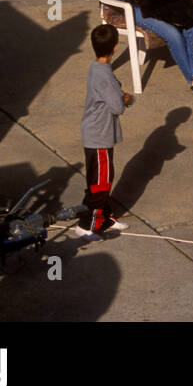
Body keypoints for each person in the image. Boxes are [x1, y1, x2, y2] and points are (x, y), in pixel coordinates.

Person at [74, 24, 133, 239]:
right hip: (99, 136)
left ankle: (104, 216)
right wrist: (127, 98)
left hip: (99, 134)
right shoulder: (105, 75)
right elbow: (117, 106)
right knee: (100, 183)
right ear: (115, 47)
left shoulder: (98, 68)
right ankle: (86, 225)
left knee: (101, 179)